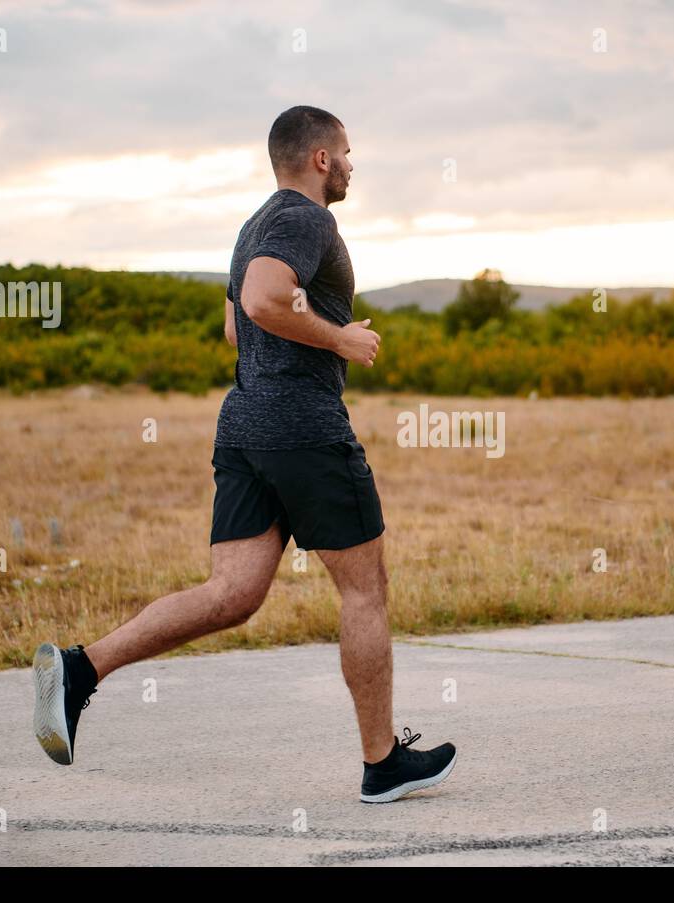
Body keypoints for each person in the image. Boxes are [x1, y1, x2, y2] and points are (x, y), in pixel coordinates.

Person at [32, 105, 456, 803]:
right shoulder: (305, 219)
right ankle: (382, 763)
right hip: (304, 427)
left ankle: (81, 670)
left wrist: (298, 327)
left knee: (231, 595)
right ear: (320, 158)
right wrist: (342, 339)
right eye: (346, 153)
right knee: (365, 589)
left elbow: (236, 327)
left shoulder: (253, 224)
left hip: (245, 423)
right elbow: (260, 303)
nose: (351, 165)